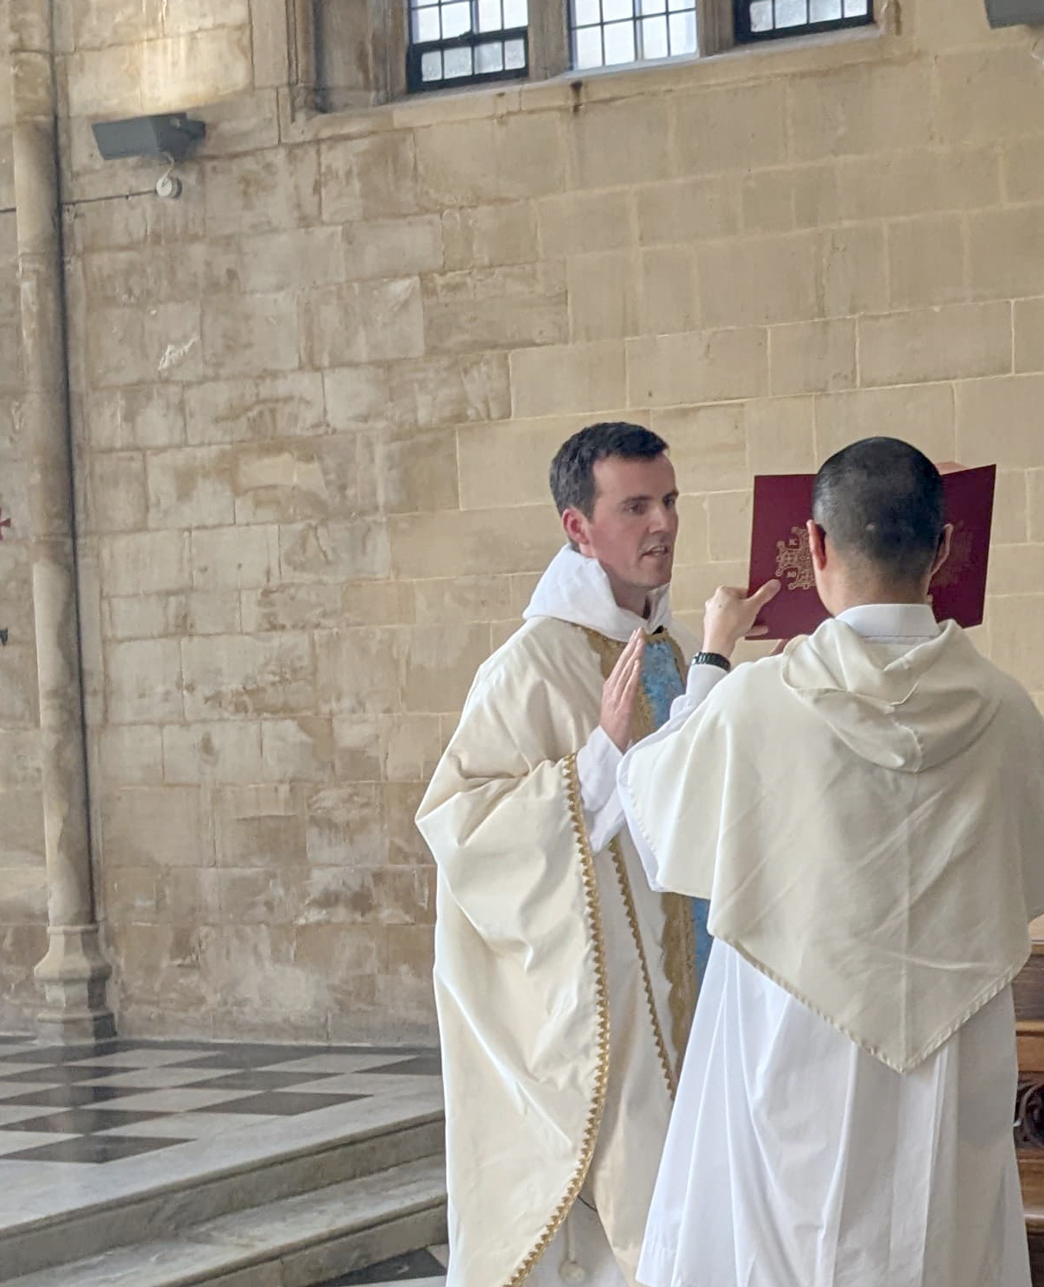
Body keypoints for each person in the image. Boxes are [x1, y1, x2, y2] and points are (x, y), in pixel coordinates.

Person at [611, 437, 1044, 1287]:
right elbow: (1033, 877)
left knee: (783, 1247)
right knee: (937, 1237)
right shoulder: (1011, 713)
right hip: (947, 1051)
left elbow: (657, 817)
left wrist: (715, 656)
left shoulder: (756, 700)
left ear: (817, 547)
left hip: (787, 1045)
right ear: (942, 551)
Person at [414, 422, 708, 1287]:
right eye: (636, 506)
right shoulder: (529, 666)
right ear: (579, 528)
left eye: (671, 500)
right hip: (599, 1015)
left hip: (686, 985)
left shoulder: (670, 646)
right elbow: (462, 830)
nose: (663, 524)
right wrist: (595, 761)